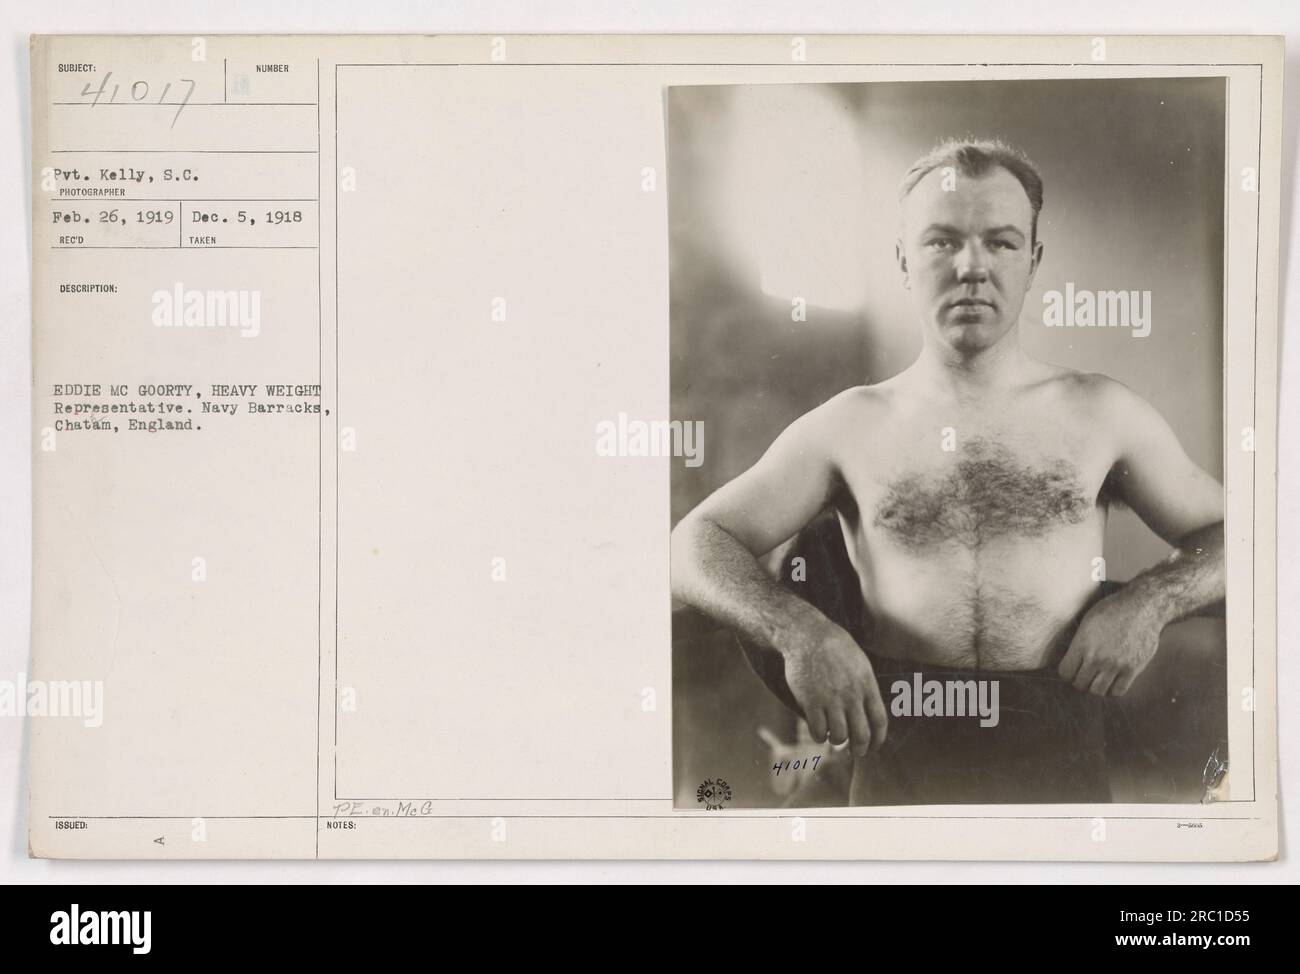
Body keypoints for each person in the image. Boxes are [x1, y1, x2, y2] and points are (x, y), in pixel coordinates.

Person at [669, 138, 1225, 804]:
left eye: (1001, 242)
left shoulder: (1102, 413)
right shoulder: (850, 425)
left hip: (1055, 753)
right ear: (903, 262)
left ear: (1033, 262)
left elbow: (1252, 540)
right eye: (942, 241)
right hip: (900, 757)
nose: (972, 267)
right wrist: (801, 633)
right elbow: (693, 544)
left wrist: (1151, 601)